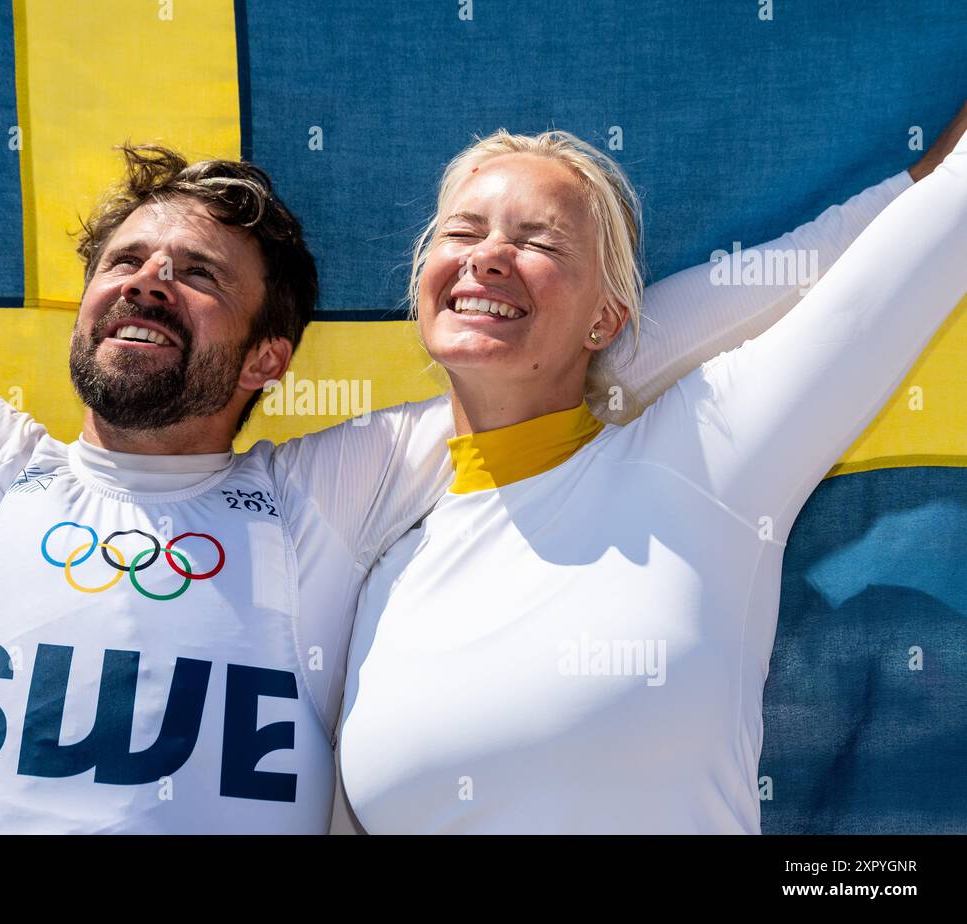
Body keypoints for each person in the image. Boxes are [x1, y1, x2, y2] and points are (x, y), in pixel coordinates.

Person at [0, 78, 921, 833]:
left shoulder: (338, 489)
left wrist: (916, 190)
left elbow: (606, 343)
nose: (146, 282)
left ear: (269, 358)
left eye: (197, 275)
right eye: (124, 264)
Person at [335, 105, 967, 834]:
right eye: (463, 232)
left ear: (606, 320)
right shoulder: (375, 567)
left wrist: (917, 181)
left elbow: (947, 205)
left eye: (538, 240)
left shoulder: (708, 454)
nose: (488, 256)